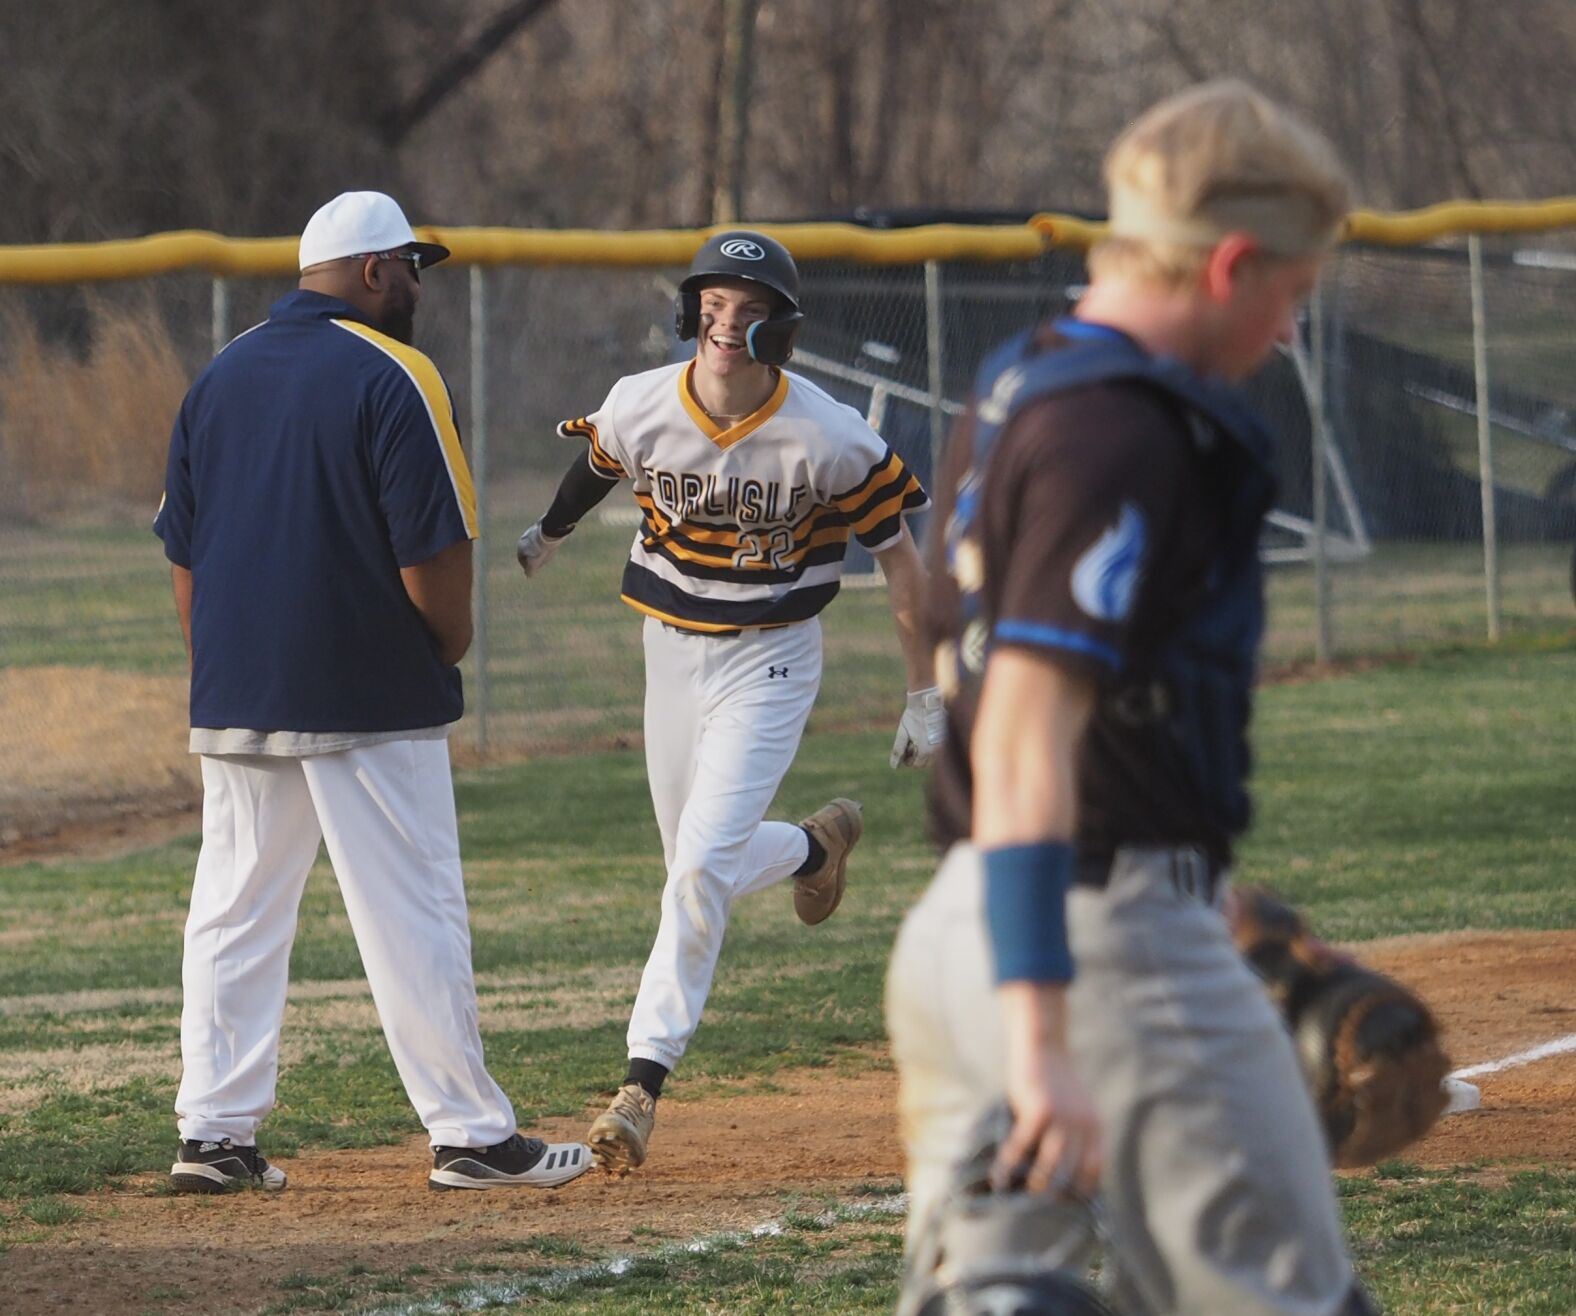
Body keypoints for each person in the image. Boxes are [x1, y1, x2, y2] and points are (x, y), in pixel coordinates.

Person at [887, 82, 1381, 1314]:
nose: (1284, 330)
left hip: (968, 923)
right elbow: (1022, 729)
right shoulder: (1125, 431)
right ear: (1227, 264)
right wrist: (1048, 1036)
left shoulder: (1024, 382)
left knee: (1005, 1297)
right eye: (1291, 294)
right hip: (1089, 937)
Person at [154, 190, 590, 1194]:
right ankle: (471, 1132)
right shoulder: (397, 371)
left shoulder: (217, 378)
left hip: (236, 683)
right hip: (367, 686)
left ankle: (214, 1131)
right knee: (412, 908)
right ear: (369, 272)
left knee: (233, 907)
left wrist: (214, 662)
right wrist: (445, 646)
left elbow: (185, 552)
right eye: (409, 266)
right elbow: (434, 549)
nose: (417, 285)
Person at [515, 230, 943, 1172]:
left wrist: (924, 692)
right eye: (713, 306)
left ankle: (641, 1083)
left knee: (699, 868)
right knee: (692, 864)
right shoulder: (641, 403)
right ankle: (813, 847)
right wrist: (549, 533)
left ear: (780, 333)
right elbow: (598, 465)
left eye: (749, 313)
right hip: (669, 652)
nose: (725, 326)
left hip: (773, 659)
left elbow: (903, 561)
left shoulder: (828, 436)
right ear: (689, 312)